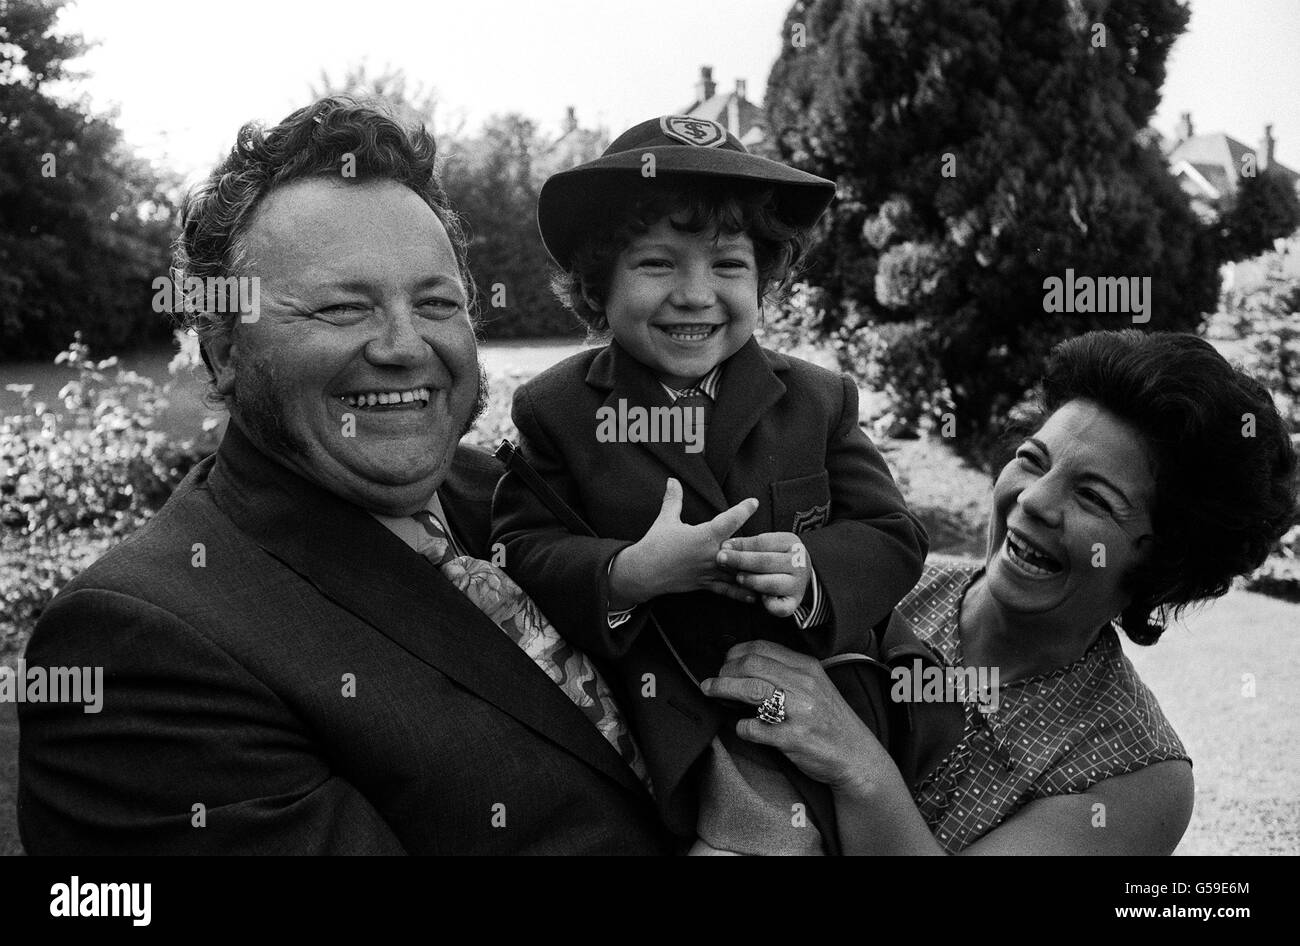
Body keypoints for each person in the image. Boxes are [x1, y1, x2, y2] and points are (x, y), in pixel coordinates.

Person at [18, 97, 672, 855]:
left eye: (436, 303)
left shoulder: (518, 493)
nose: (404, 346)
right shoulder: (138, 648)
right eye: (340, 309)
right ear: (225, 351)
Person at [490, 115, 930, 854]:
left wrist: (811, 570)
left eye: (729, 266)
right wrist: (628, 574)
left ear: (764, 278)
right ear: (599, 285)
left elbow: (893, 536)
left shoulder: (817, 399)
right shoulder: (558, 410)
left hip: (824, 689)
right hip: (666, 712)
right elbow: (521, 549)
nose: (696, 295)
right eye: (657, 265)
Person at [703, 329, 1298, 854]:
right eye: (1033, 460)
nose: (1034, 499)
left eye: (1093, 497)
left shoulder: (1135, 775)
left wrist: (856, 764)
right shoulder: (875, 585)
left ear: (1166, 559)